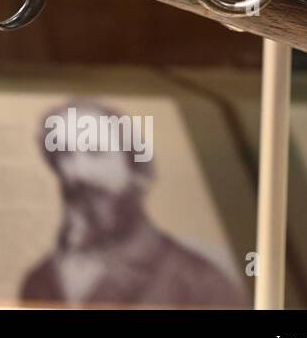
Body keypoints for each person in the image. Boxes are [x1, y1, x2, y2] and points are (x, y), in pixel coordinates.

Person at [21, 99, 244, 307]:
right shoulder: (40, 280)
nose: (78, 172)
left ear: (136, 171)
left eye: (96, 152)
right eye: (64, 155)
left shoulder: (200, 283)